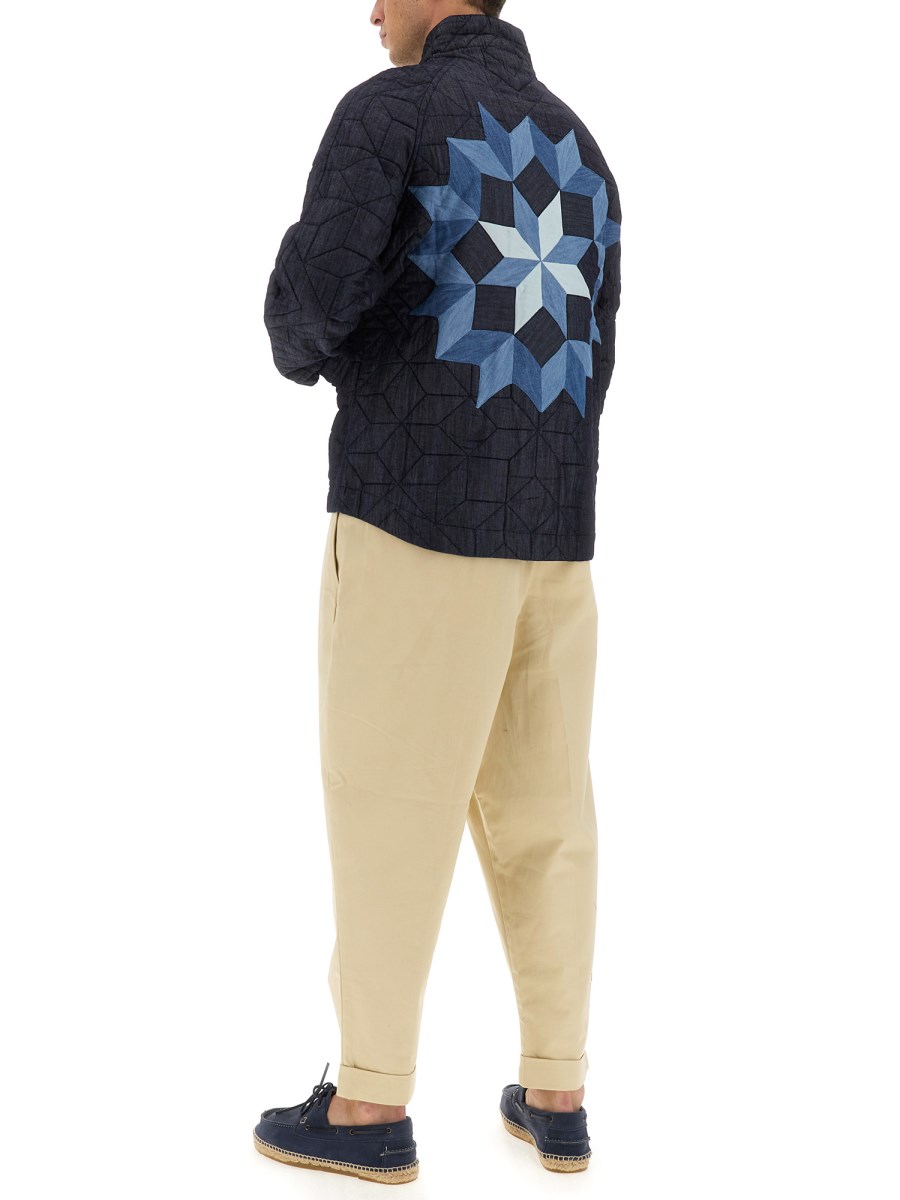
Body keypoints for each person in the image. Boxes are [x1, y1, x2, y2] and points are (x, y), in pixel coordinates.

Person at [253, 0, 622, 1181]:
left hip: (416, 515)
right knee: (548, 814)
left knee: (388, 803)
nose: (368, 8)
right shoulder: (579, 146)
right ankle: (557, 1088)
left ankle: (367, 1107)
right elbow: (596, 356)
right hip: (554, 534)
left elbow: (304, 317)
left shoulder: (390, 115)